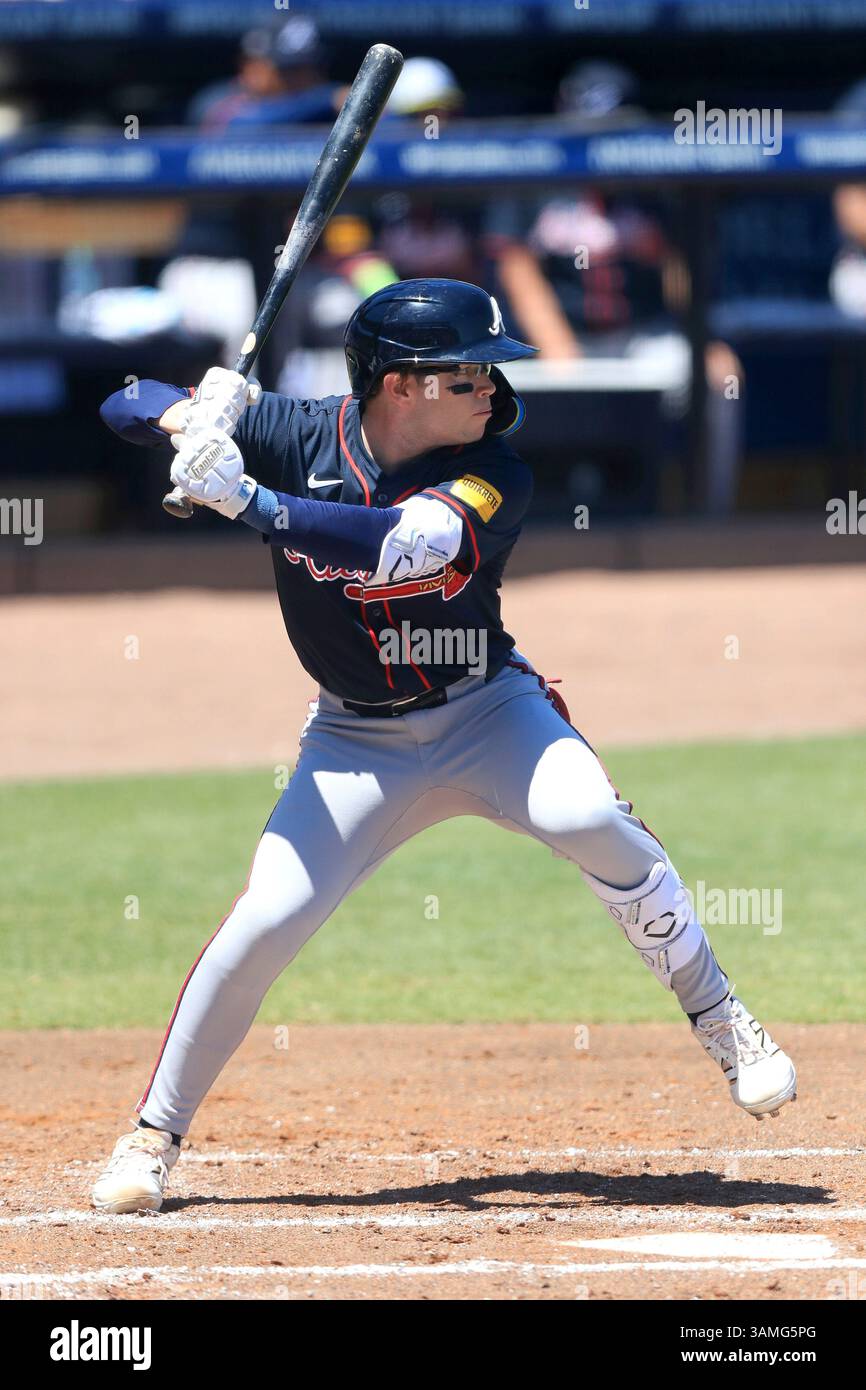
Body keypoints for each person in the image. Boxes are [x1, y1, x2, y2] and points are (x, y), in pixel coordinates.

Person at [92, 278, 796, 1214]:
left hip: (485, 713)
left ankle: (721, 1017)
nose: (490, 390)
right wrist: (188, 415)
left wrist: (250, 502)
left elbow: (396, 546)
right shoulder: (301, 432)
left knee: (589, 816)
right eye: (465, 373)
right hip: (352, 740)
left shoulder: (499, 468)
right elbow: (119, 402)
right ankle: (152, 1137)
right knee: (263, 921)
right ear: (400, 385)